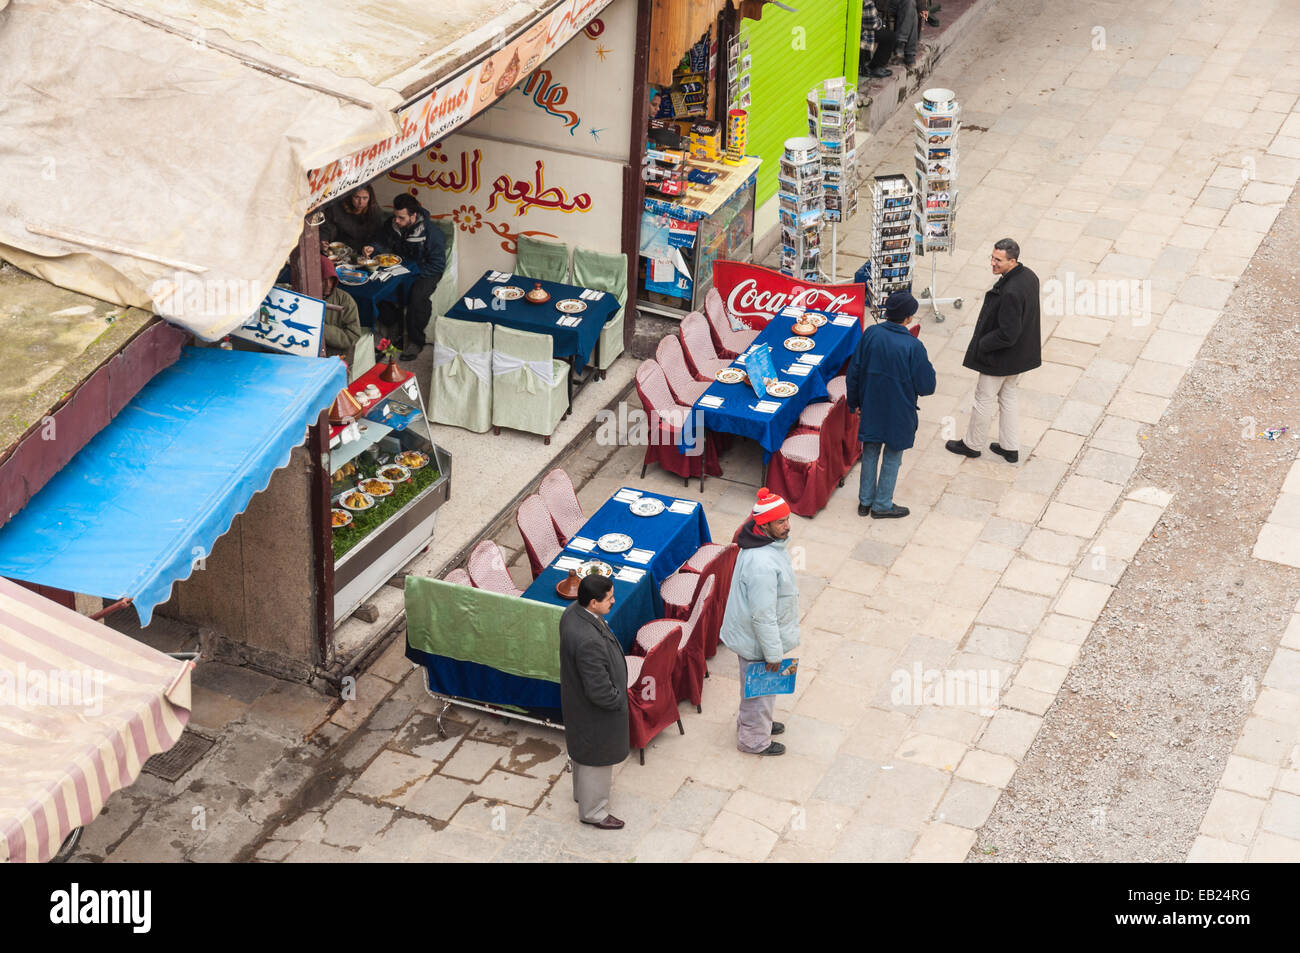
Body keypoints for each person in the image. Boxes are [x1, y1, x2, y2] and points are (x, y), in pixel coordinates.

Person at [719, 489, 801, 757]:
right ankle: (754, 740)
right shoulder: (762, 564)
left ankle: (756, 725)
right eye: (781, 522)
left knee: (758, 689)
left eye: (787, 519)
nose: (787, 526)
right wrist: (773, 652)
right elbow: (762, 614)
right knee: (759, 692)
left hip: (753, 635)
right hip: (757, 640)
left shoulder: (760, 544)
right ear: (764, 525)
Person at [946, 238, 1042, 464]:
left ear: (1013, 261)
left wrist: (983, 343)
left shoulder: (1010, 291)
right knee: (1008, 397)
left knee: (984, 399)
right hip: (1019, 355)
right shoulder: (1029, 276)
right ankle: (1010, 447)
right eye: (992, 257)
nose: (992, 263)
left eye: (998, 260)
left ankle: (972, 444)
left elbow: (1008, 333)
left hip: (1000, 357)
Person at [846, 291, 936, 519]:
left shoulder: (871, 334)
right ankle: (882, 505)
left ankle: (865, 502)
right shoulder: (913, 347)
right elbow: (927, 386)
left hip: (871, 406)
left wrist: (854, 402)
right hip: (900, 412)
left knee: (870, 451)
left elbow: (853, 372)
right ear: (907, 318)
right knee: (893, 456)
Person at [558, 574, 628, 830]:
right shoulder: (587, 641)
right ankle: (594, 811)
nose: (613, 602)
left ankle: (582, 794)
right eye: (609, 599)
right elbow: (599, 690)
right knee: (596, 759)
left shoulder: (572, 612)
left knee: (583, 753)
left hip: (578, 704)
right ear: (593, 603)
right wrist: (618, 699)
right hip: (594, 712)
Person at [365, 193, 446, 361]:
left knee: (418, 297)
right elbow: (380, 241)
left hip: (426, 270)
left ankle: (416, 341)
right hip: (400, 267)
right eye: (395, 216)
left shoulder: (431, 234)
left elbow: (437, 264)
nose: (397, 221)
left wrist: (413, 272)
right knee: (377, 286)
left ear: (413, 216)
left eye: (401, 218)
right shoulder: (392, 225)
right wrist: (372, 248)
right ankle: (393, 325)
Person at [864, 0, 928, 77]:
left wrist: (923, 8)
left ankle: (900, 43)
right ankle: (909, 54)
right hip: (884, 3)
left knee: (911, 5)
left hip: (902, 3)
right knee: (912, 10)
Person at [319, 255, 363, 361]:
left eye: (332, 279)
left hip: (337, 360)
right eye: (324, 280)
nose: (329, 284)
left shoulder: (345, 300)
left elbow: (352, 337)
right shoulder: (302, 296)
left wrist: (321, 329)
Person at [320, 184, 385, 251]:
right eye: (356, 197)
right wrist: (324, 239)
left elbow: (378, 236)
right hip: (341, 248)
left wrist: (371, 247)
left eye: (365, 198)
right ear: (350, 196)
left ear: (370, 198)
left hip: (364, 250)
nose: (361, 202)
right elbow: (327, 227)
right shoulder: (337, 208)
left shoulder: (374, 211)